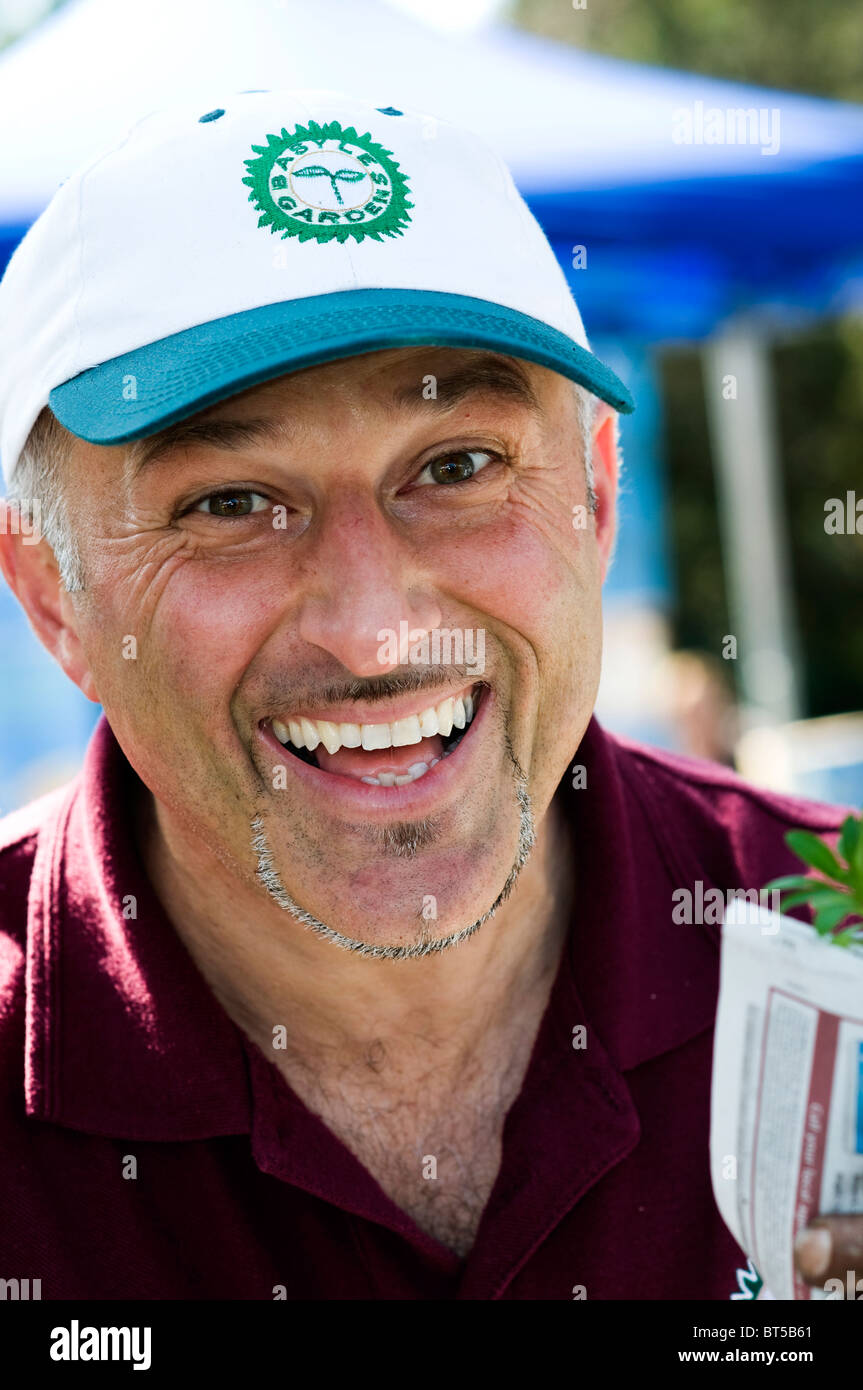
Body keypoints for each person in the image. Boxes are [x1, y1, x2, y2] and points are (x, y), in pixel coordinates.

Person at [0, 90, 852, 1300]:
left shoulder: (841, 936)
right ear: (54, 598)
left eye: (457, 468)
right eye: (230, 503)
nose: (369, 631)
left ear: (596, 499)